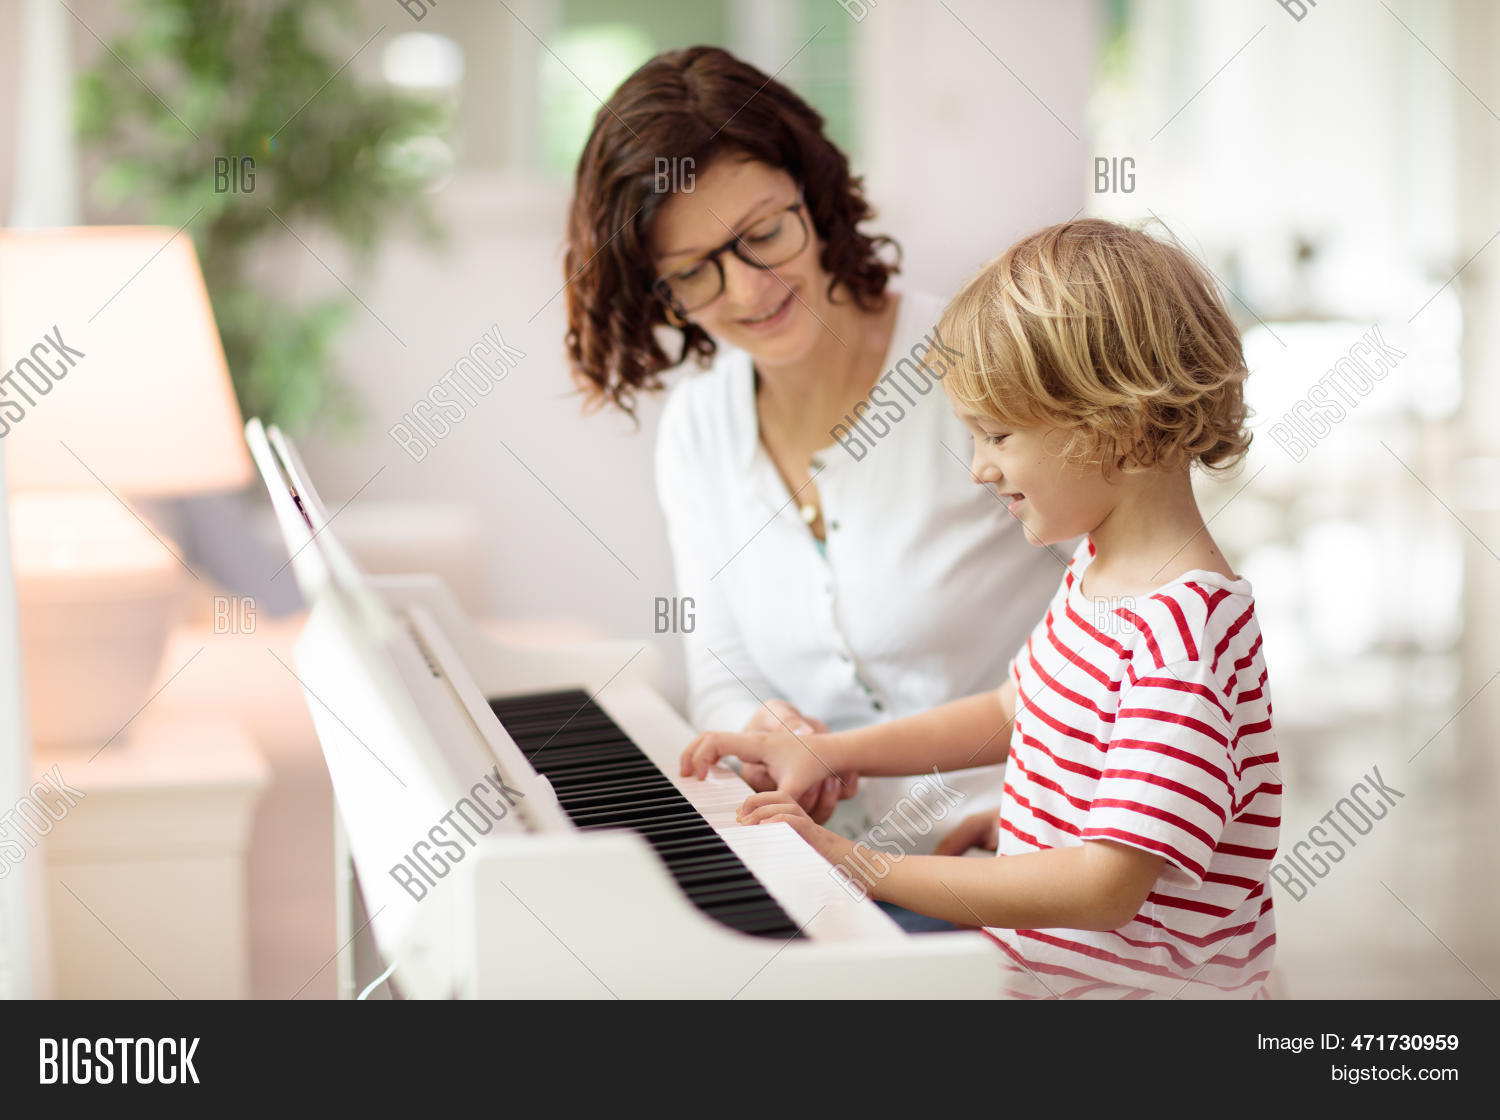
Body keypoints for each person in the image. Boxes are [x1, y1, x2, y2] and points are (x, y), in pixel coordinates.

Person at [681, 219, 1280, 998]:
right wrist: (839, 756)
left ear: (1117, 424)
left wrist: (864, 864)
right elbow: (1015, 713)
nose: (978, 470)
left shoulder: (1181, 640)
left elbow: (1106, 887)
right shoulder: (1102, 575)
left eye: (996, 435)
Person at [563, 45, 1062, 923]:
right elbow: (721, 668)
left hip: (1030, 854)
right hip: (823, 873)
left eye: (764, 234)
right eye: (694, 272)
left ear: (816, 195)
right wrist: (768, 730)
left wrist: (1039, 811)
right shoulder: (699, 430)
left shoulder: (975, 365)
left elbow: (1140, 625)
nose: (749, 289)